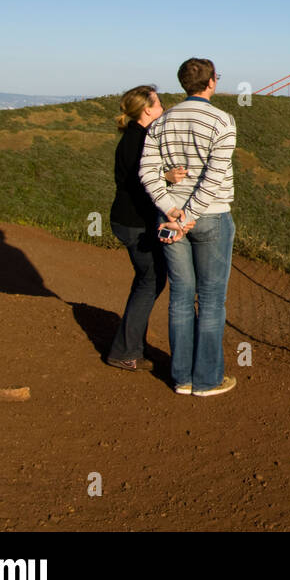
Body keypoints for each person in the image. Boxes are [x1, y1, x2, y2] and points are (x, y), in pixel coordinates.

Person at [139, 59, 237, 397]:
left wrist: (171, 211)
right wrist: (189, 215)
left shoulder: (160, 123)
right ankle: (207, 380)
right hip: (209, 217)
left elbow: (148, 174)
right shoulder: (223, 121)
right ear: (211, 82)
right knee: (210, 299)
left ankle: (181, 379)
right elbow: (215, 176)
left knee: (180, 297)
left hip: (169, 220)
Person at [106, 86, 187, 370]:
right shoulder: (138, 140)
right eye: (159, 103)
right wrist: (165, 178)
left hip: (130, 220)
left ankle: (131, 346)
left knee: (147, 280)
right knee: (150, 280)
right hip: (133, 222)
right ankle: (124, 351)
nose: (163, 107)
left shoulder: (136, 136)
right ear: (147, 110)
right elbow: (138, 185)